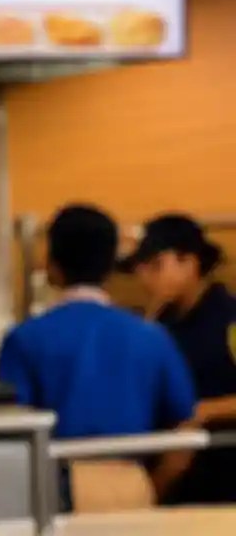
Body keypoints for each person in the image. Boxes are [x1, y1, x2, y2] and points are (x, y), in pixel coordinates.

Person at [0, 204, 196, 507]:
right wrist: (152, 488)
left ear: (52, 265)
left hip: (52, 488)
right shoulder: (151, 337)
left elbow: (8, 431)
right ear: (111, 264)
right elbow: (185, 429)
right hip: (133, 485)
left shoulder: (26, 339)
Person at [120, 213, 236, 504]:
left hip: (224, 470)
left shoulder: (228, 318)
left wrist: (203, 411)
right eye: (140, 268)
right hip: (176, 473)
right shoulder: (162, 321)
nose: (145, 277)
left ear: (190, 262)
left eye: (155, 266)